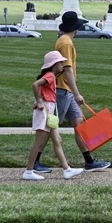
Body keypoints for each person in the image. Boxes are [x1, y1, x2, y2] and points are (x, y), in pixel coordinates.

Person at [33, 11, 111, 173]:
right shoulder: (66, 43)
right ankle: (35, 161)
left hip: (66, 90)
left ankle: (89, 161)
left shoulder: (64, 40)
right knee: (49, 126)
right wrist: (76, 93)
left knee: (79, 124)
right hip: (62, 90)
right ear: (76, 27)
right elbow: (67, 69)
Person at [24, 51, 84, 181]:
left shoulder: (50, 76)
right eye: (60, 62)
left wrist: (38, 100)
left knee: (57, 140)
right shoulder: (50, 76)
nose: (62, 64)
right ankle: (28, 171)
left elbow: (41, 89)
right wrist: (38, 102)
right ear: (54, 64)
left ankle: (67, 170)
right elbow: (35, 85)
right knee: (38, 142)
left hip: (49, 113)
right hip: (45, 112)